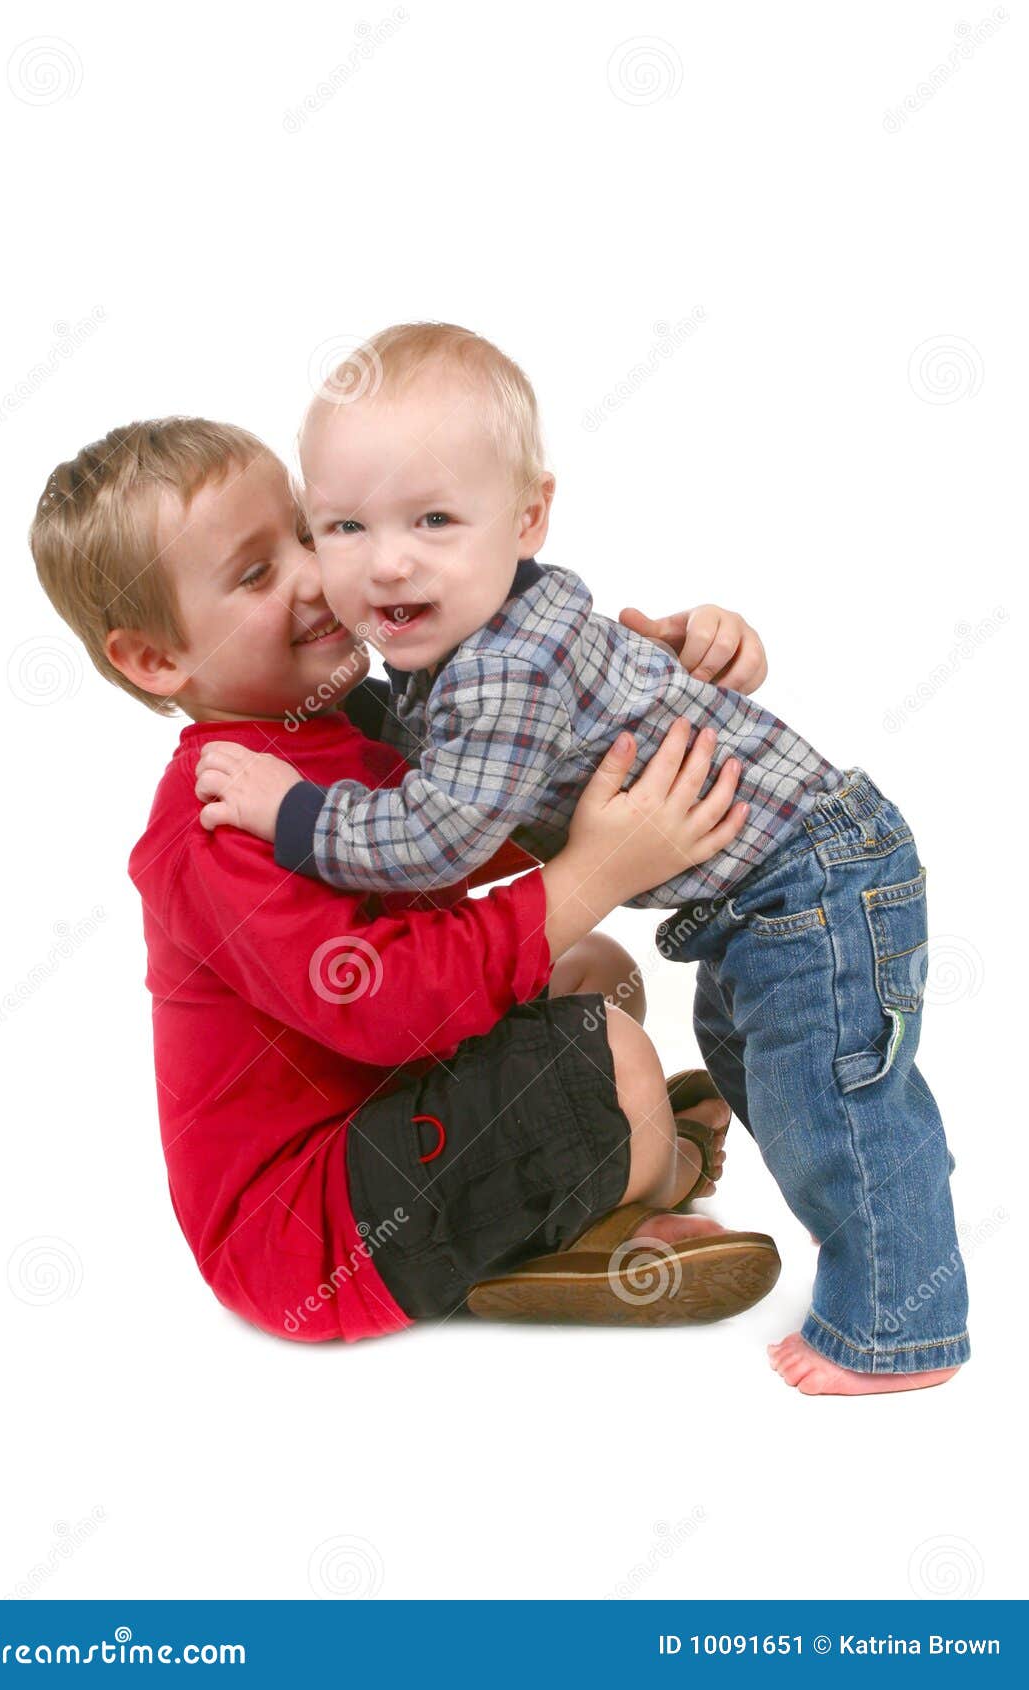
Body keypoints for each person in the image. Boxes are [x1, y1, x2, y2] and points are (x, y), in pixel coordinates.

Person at [195, 324, 969, 1394]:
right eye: (342, 524)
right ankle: (793, 1183)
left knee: (829, 1102)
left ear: (526, 519)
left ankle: (896, 1332)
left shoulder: (500, 671)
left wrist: (293, 810)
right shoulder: (484, 629)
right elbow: (469, 752)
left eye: (431, 519)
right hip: (769, 897)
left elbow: (432, 836)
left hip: (810, 881)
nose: (385, 560)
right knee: (776, 1071)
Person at [28, 417, 779, 1346]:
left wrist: (659, 679)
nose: (315, 575)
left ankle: (594, 1189)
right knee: (616, 1058)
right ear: (154, 659)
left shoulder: (352, 718)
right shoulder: (217, 818)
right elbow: (386, 1004)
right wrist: (591, 873)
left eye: (309, 533)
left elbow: (489, 813)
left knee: (594, 970)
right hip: (311, 1226)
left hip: (382, 1098)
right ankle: (640, 1181)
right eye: (257, 574)